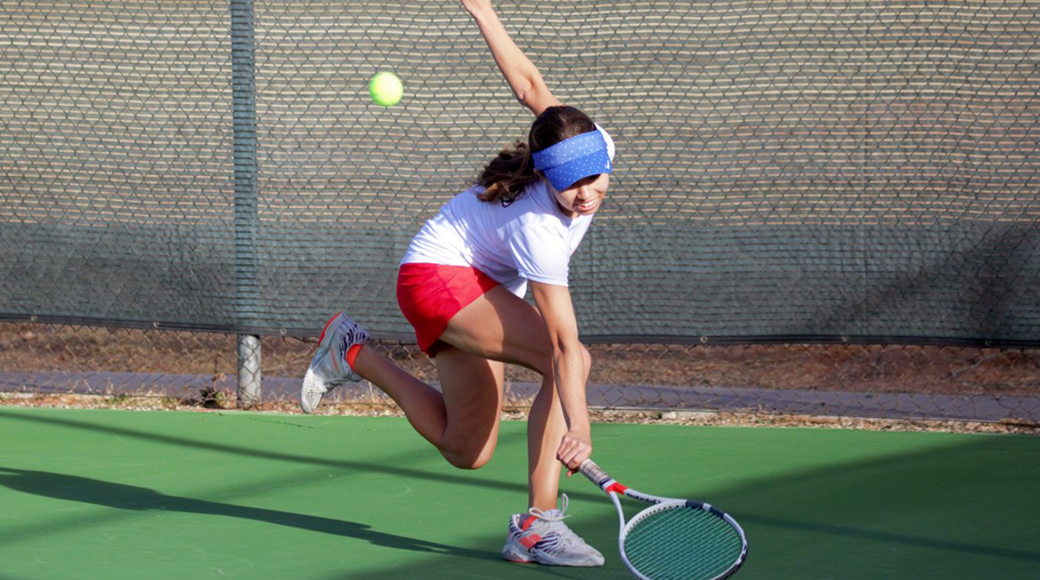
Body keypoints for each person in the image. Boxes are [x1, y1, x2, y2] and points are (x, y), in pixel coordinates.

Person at [301, 0, 614, 567]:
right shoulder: (538, 225)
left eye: (595, 179)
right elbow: (565, 347)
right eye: (571, 187)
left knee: (466, 449)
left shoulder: (583, 143)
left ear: (602, 155)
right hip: (436, 277)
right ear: (546, 176)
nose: (586, 194)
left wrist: (483, 10)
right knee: (571, 362)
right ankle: (538, 524)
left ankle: (353, 351)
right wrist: (582, 426)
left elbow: (528, 85)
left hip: (482, 283)